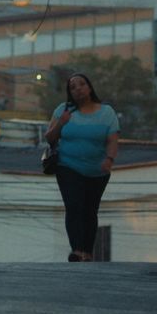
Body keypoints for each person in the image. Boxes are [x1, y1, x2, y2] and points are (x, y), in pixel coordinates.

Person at [43, 72, 120, 262]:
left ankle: (87, 252)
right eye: (73, 87)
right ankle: (77, 250)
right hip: (68, 166)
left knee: (90, 210)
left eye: (82, 84)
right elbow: (49, 138)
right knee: (74, 206)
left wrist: (109, 159)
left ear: (90, 87)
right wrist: (61, 123)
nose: (78, 89)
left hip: (97, 170)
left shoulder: (106, 113)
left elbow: (112, 139)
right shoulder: (63, 110)